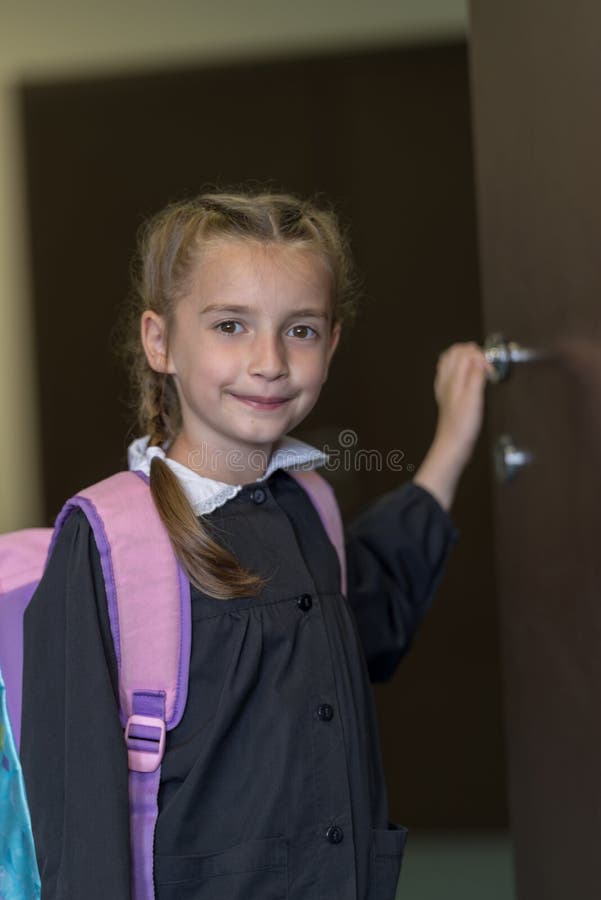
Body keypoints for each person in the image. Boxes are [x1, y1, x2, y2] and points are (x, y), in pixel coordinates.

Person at [20, 190, 492, 900]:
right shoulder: (110, 538)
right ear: (161, 341)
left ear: (330, 345)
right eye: (231, 325)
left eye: (299, 330)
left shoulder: (309, 505)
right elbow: (74, 814)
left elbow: (375, 609)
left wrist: (451, 444)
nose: (269, 360)